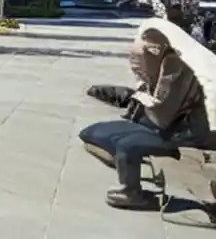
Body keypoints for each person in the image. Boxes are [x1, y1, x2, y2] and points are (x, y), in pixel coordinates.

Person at [78, 24, 216, 210]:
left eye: (139, 65)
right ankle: (124, 161)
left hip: (184, 135)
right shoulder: (160, 66)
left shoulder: (176, 71)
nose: (137, 71)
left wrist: (141, 99)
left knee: (128, 144)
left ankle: (131, 193)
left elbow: (163, 116)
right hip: (162, 126)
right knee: (92, 134)